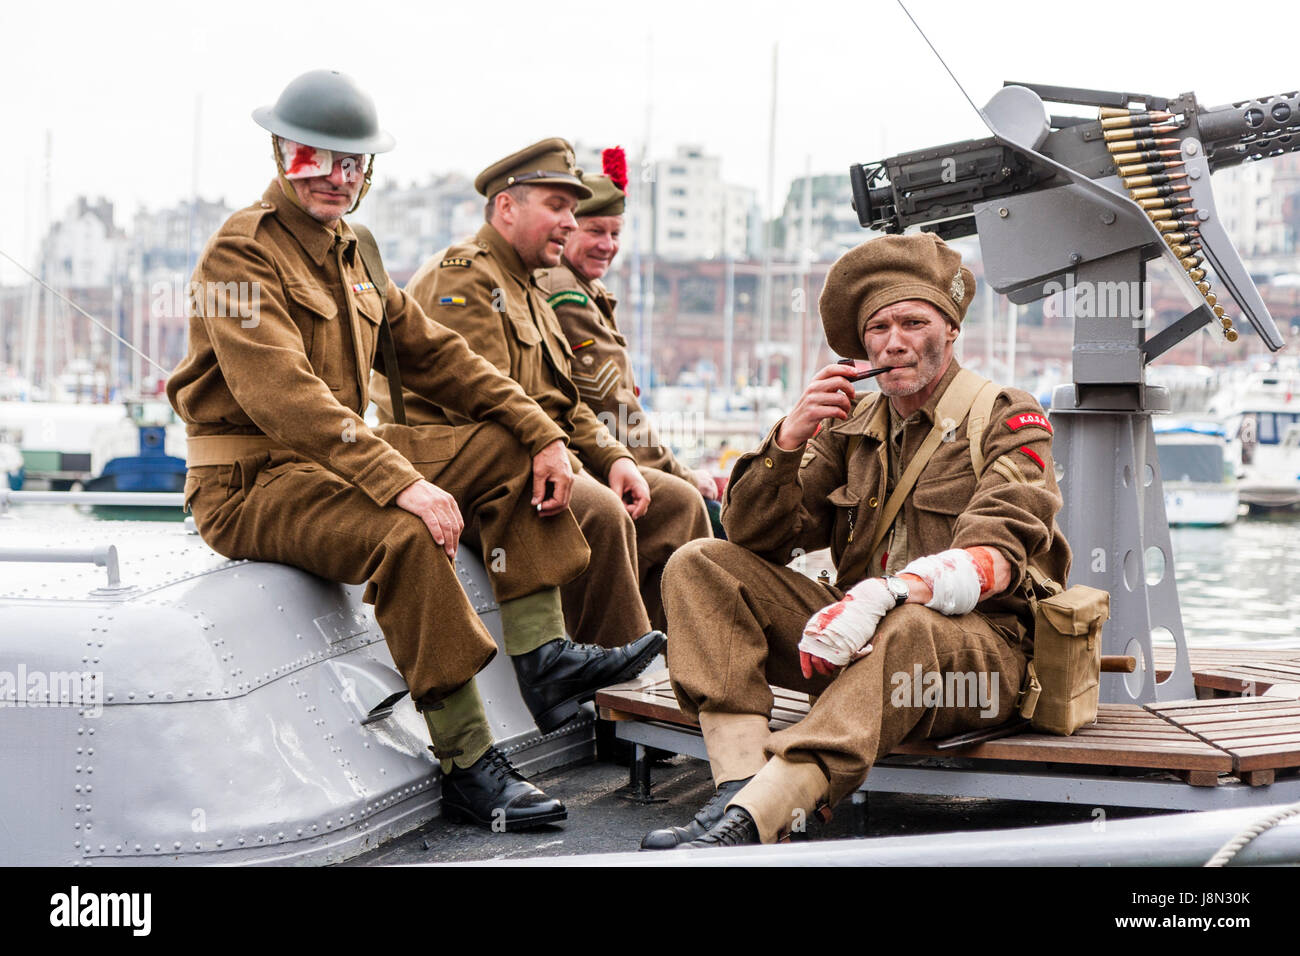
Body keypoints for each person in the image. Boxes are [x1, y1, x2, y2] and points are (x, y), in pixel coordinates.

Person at [166, 70, 663, 833]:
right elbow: (283, 395)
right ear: (280, 154)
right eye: (317, 158)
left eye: (353, 163)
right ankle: (468, 763)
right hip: (249, 480)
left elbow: (438, 356)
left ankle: (544, 655)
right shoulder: (242, 254)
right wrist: (403, 484)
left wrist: (541, 433)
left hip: (330, 459)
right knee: (406, 535)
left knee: (504, 446)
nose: (337, 177)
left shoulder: (355, 250)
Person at [643, 233, 1071, 849]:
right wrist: (787, 441)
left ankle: (753, 822)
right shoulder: (850, 424)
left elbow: (1002, 548)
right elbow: (754, 537)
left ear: (950, 331)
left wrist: (892, 592)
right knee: (700, 563)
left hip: (973, 659)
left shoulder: (1006, 416)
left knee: (910, 625)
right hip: (852, 642)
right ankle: (737, 797)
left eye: (913, 322)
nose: (893, 342)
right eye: (877, 328)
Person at [373, 138, 710, 646]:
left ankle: (693, 655)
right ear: (506, 207)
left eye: (574, 210)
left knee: (677, 503)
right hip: (465, 463)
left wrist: (615, 458)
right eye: (558, 207)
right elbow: (482, 402)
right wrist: (576, 464)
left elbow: (559, 402)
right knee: (600, 512)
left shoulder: (528, 286)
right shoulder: (466, 277)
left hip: (526, 449)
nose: (571, 224)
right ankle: (616, 671)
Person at [535, 148, 720, 510]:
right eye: (595, 231)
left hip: (592, 450)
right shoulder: (566, 294)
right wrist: (681, 474)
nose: (608, 245)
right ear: (570, 229)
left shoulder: (582, 286)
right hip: (585, 455)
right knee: (695, 510)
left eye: (615, 233)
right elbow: (613, 406)